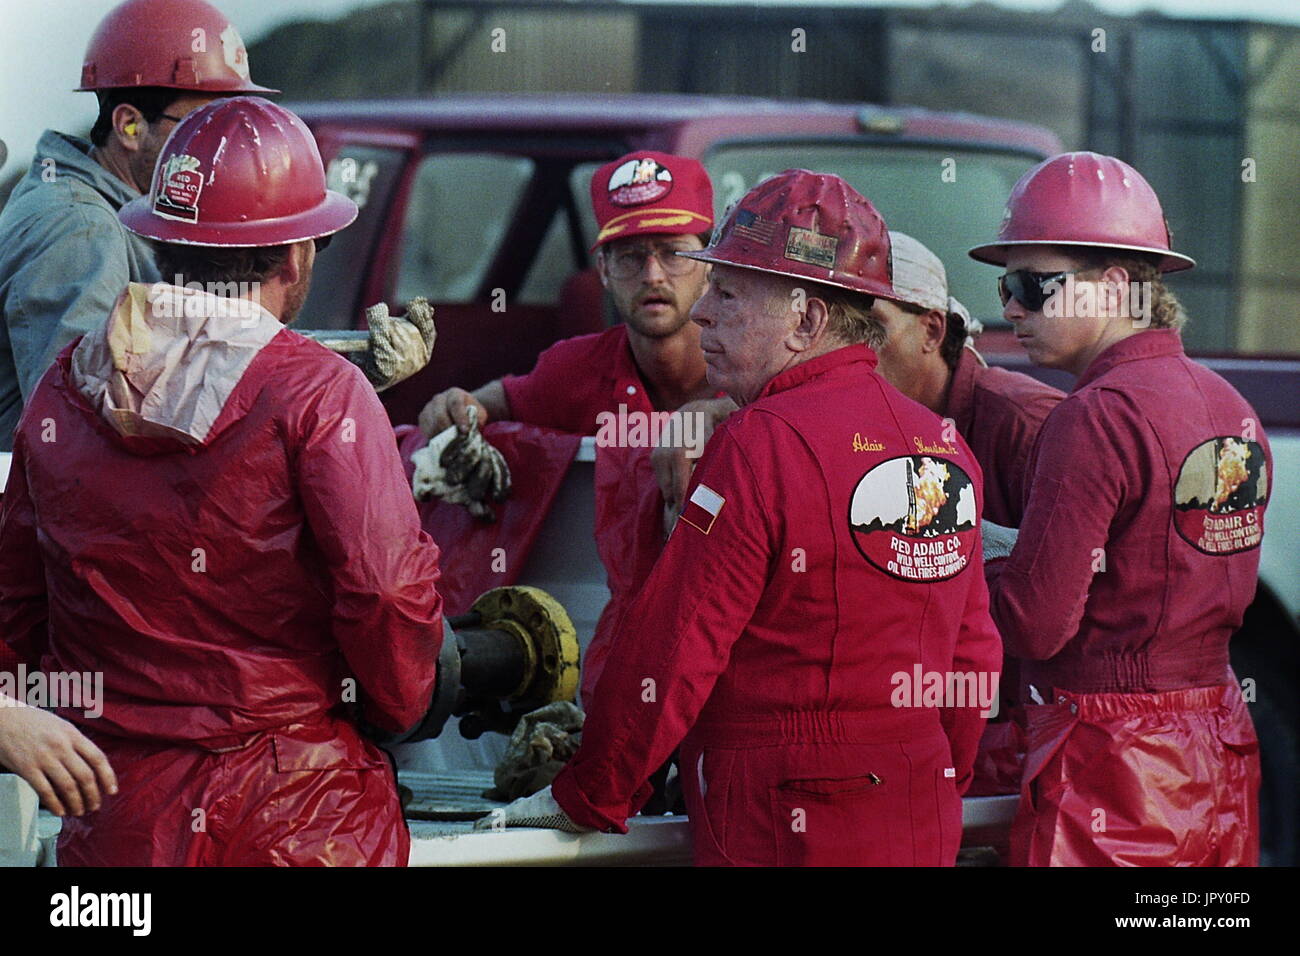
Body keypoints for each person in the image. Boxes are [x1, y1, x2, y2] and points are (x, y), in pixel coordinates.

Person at [483, 170, 1003, 866]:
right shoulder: (941, 444)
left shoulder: (757, 444)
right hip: (916, 809)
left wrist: (590, 793)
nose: (703, 314)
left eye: (728, 293)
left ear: (809, 319)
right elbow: (972, 655)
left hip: (775, 816)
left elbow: (676, 648)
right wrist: (942, 776)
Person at [0, 96, 443, 867]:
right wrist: (401, 705)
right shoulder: (319, 394)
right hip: (298, 819)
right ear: (296, 256)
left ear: (162, 240)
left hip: (116, 817)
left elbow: (15, 601)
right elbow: (383, 595)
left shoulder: (61, 392)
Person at [970, 151, 1267, 866]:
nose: (1010, 306)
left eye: (1033, 285)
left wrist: (971, 553)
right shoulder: (1232, 408)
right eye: (1007, 284)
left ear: (1111, 287)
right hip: (1220, 756)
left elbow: (1037, 625)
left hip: (1110, 771)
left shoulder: (1096, 417)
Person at [417, 151, 732, 704]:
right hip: (598, 657)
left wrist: (716, 413)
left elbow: (816, 416)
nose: (653, 275)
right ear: (604, 273)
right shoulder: (576, 367)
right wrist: (455, 408)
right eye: (630, 256)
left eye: (673, 254)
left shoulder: (753, 360)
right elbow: (492, 402)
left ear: (709, 263)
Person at [0, 0, 276, 452]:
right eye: (197, 125)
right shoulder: (80, 229)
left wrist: (335, 360)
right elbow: (83, 424)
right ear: (129, 125)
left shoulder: (121, 214)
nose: (214, 148)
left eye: (222, 125)